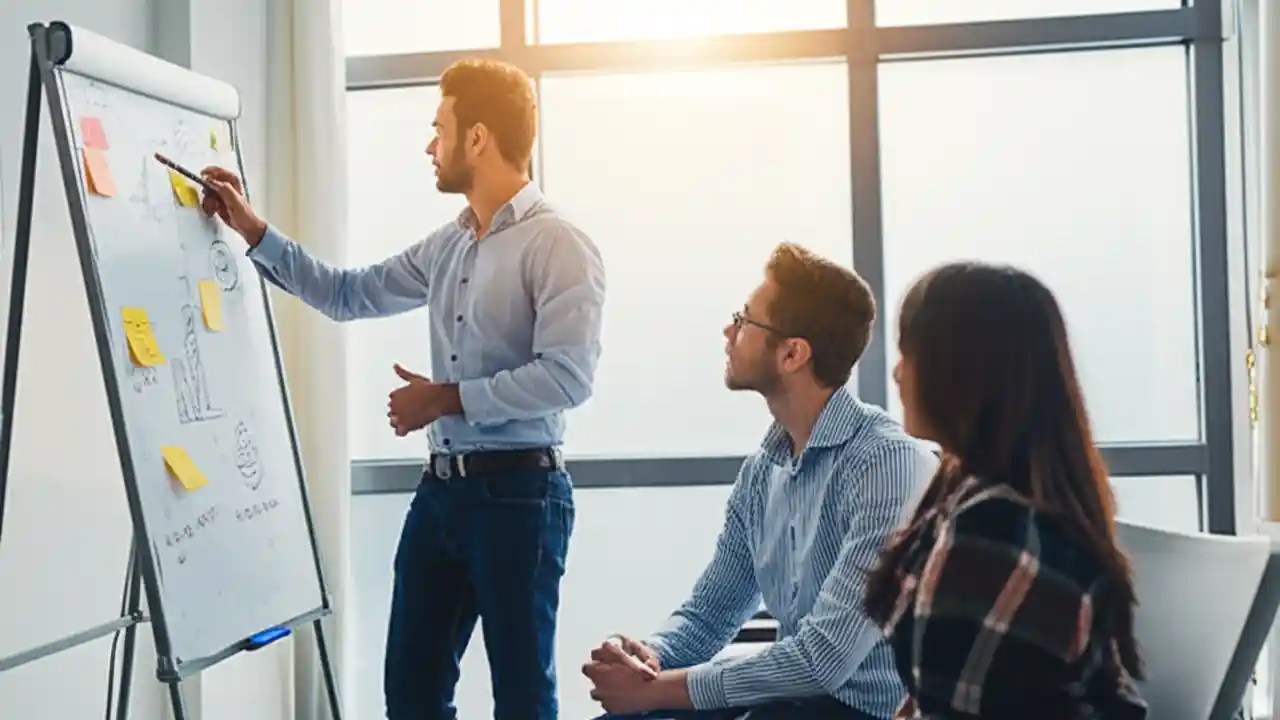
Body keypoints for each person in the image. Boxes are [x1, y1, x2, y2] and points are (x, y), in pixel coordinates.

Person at [200, 58, 605, 720]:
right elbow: (348, 292)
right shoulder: (449, 245)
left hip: (520, 497)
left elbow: (568, 376)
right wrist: (252, 230)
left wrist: (444, 398)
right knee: (410, 696)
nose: (429, 145)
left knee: (523, 699)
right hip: (443, 492)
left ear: (477, 138)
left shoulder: (558, 242)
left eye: (438, 127)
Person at [581, 244, 938, 720]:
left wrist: (657, 691)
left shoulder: (886, 464)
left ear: (793, 353)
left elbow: (823, 660)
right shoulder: (762, 472)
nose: (729, 332)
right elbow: (711, 613)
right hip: (792, 702)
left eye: (744, 320)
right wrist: (649, 660)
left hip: (862, 710)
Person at [863, 262, 1147, 719]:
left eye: (910, 353)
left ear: (962, 372)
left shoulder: (992, 533)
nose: (897, 374)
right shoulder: (985, 501)